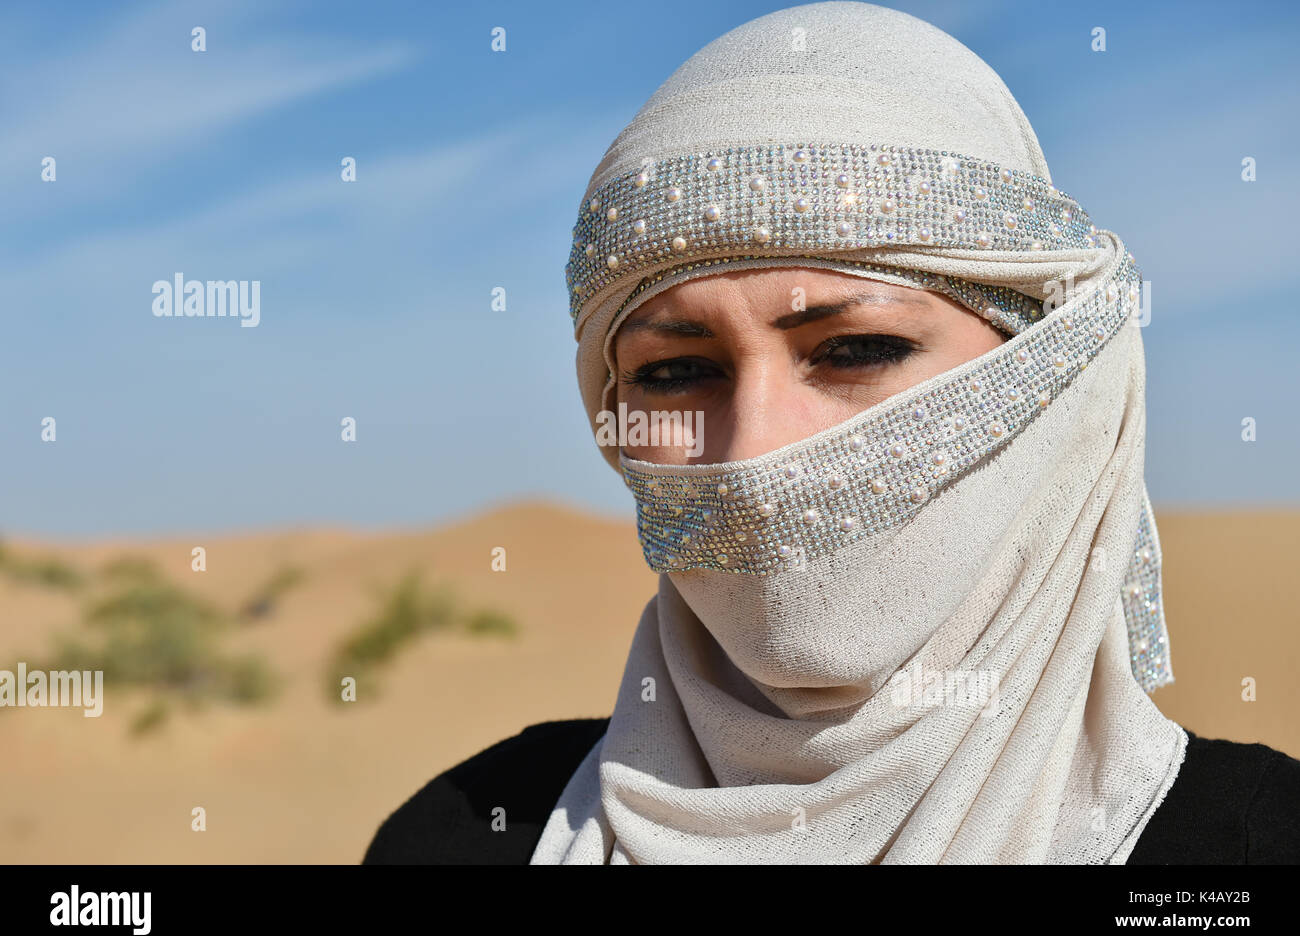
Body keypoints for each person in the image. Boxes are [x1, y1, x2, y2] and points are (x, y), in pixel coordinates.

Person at [363, 1, 1300, 864]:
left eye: (857, 347)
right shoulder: (470, 830)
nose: (756, 452)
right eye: (676, 370)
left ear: (1049, 379)